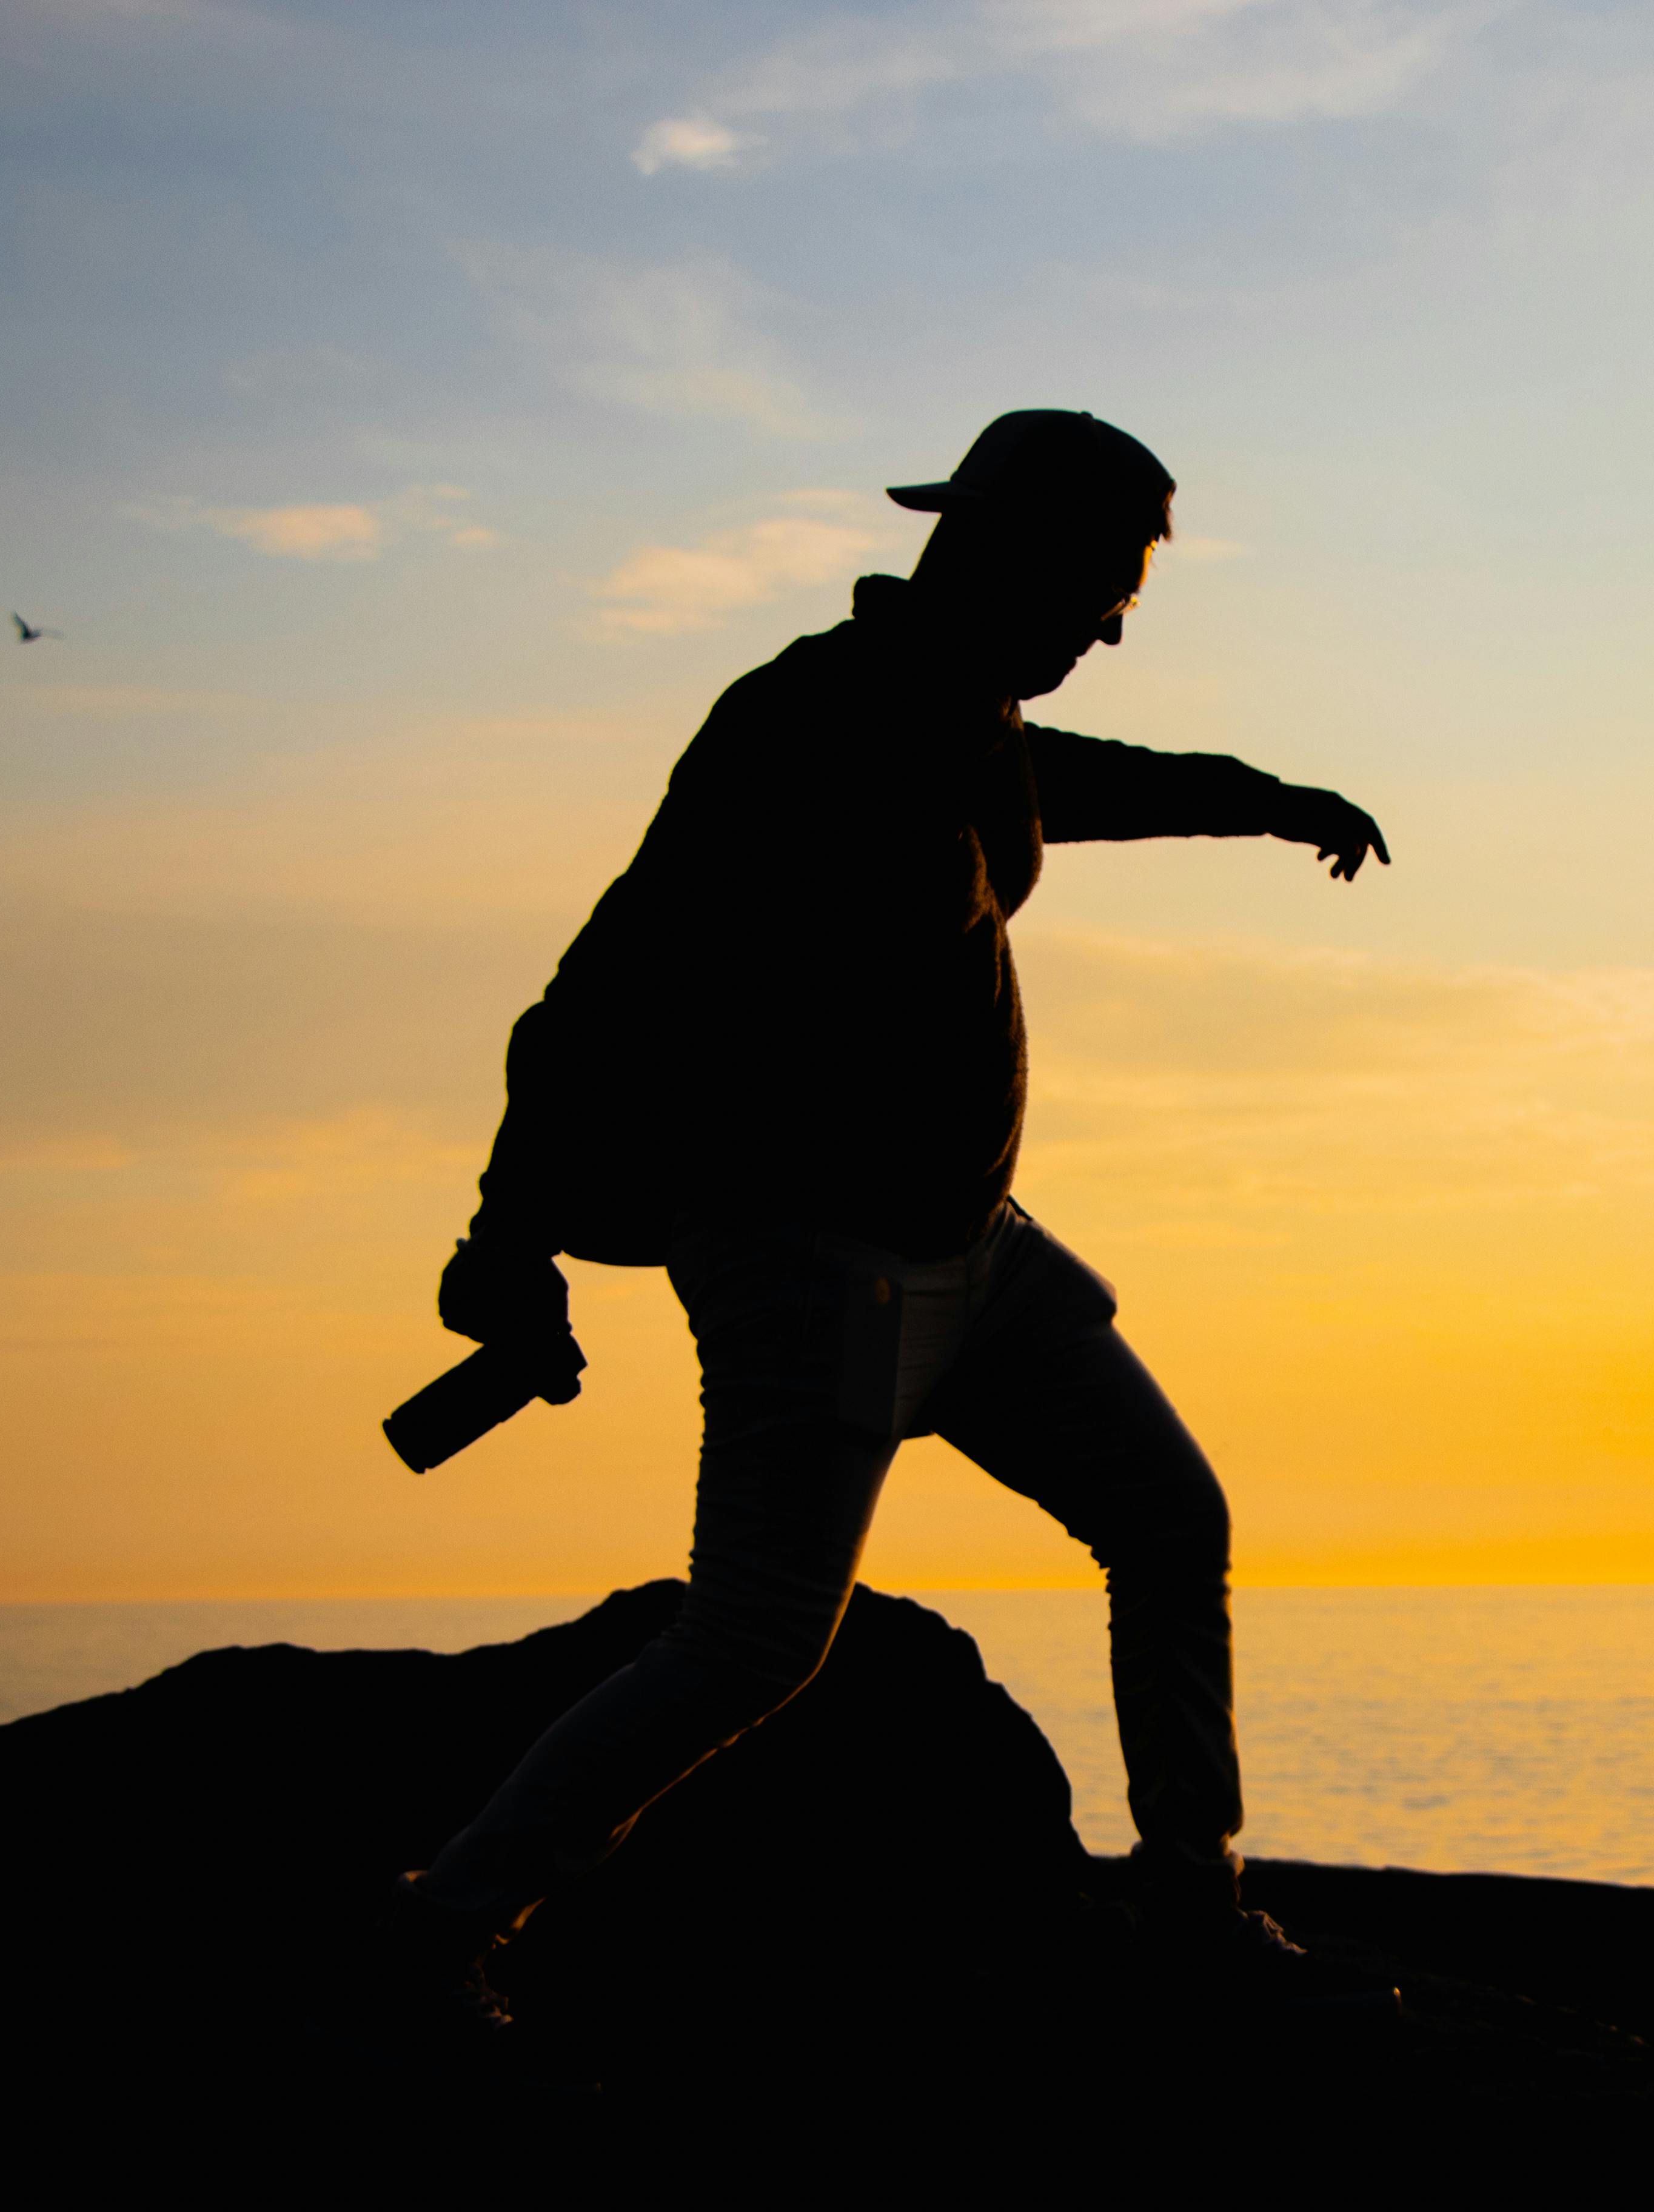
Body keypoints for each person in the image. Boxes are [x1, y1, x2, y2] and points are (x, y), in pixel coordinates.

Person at [388, 411, 1391, 2029]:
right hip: (810, 1261)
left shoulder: (967, 720)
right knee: (756, 1641)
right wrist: (505, 1243)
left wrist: (1266, 802)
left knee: (1168, 1519)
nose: (1119, 624)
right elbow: (597, 988)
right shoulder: (807, 721)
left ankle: (1193, 1898)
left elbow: (1079, 786)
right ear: (1017, 555)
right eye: (1109, 585)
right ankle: (443, 1925)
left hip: (972, 1255)